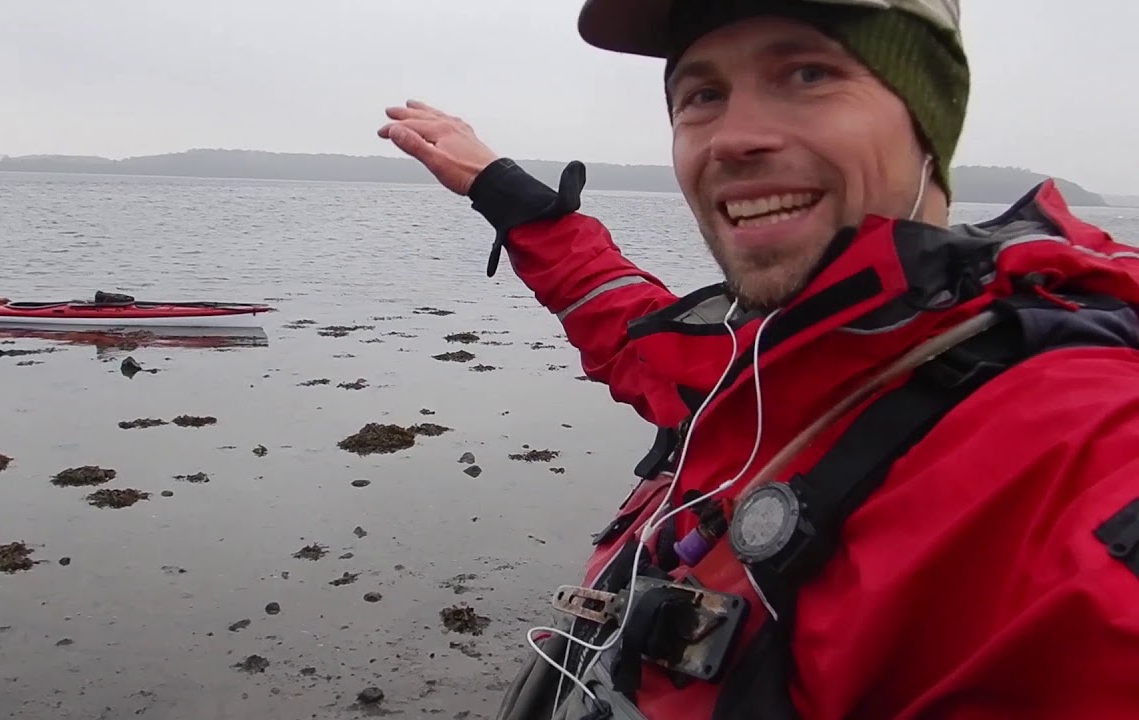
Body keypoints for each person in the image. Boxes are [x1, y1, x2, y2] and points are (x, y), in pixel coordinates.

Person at [379, 0, 1139, 718]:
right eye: (703, 94)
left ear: (928, 119)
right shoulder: (768, 370)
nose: (733, 138)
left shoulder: (1081, 452)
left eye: (808, 74)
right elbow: (634, 334)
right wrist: (508, 196)